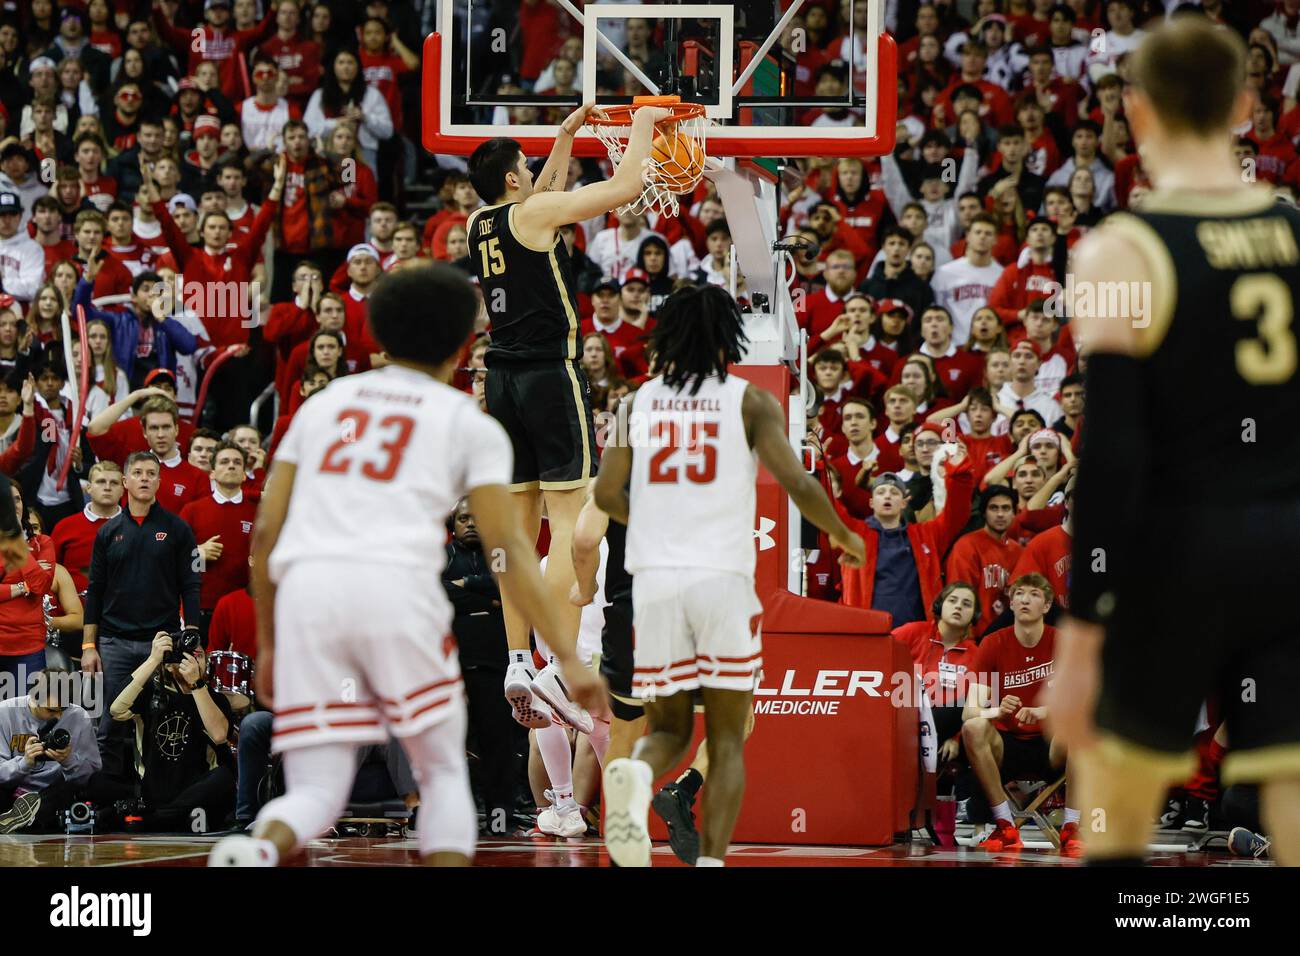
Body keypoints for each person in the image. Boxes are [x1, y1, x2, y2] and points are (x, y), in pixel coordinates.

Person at [209, 264, 598, 869]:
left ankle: (254, 850)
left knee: (314, 789)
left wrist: (267, 645)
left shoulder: (324, 404)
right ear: (464, 343)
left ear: (377, 336)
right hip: (394, 596)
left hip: (312, 598)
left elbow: (264, 535)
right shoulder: (471, 424)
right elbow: (512, 553)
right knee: (441, 774)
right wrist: (569, 661)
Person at [1051, 20, 1300, 868]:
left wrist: (1081, 640)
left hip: (1178, 562)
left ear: (1136, 111)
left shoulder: (1123, 248)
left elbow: (1114, 455)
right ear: (1243, 106)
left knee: (1115, 840)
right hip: (1289, 554)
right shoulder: (1298, 232)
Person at [592, 285, 865, 867]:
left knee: (663, 729)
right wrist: (843, 535)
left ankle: (637, 778)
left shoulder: (633, 405)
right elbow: (797, 483)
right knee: (728, 734)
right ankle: (712, 861)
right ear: (727, 338)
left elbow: (606, 492)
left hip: (656, 585)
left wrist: (657, 521)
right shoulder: (750, 403)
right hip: (719, 581)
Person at [464, 103, 673, 731]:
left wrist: (562, 139)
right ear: (512, 180)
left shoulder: (480, 221)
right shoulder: (533, 212)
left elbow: (541, 197)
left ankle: (516, 662)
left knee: (516, 533)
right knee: (565, 519)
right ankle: (558, 666)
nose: (535, 173)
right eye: (526, 167)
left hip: (498, 381)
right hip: (548, 379)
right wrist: (646, 125)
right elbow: (628, 187)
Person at [80, 451, 202, 753]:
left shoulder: (178, 529)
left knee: (159, 724)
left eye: (150, 473)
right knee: (108, 725)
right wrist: (88, 646)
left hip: (162, 642)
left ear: (159, 482)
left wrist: (193, 637)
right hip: (114, 643)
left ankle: (154, 796)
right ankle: (101, 796)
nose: (144, 478)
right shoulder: (108, 532)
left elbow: (191, 585)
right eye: (137, 473)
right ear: (125, 481)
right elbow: (94, 591)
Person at [963, 573, 1078, 854]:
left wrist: (1044, 711)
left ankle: (1072, 830)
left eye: (1035, 594)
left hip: (1052, 746)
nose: (1026, 599)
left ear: (1047, 606)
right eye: (1019, 594)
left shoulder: (1063, 641)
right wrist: (996, 711)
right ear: (1011, 604)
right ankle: (1005, 827)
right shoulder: (991, 643)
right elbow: (970, 711)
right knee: (974, 727)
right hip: (1007, 745)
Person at [441, 497, 527, 837]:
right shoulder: (441, 558)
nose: (472, 523)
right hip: (452, 671)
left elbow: (512, 594)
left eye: (478, 516)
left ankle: (500, 819)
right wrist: (490, 599)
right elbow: (437, 596)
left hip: (496, 668)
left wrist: (469, 588)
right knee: (451, 749)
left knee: (498, 748)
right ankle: (453, 820)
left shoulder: (501, 557)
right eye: (464, 518)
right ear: (453, 524)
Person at [107, 630, 235, 831]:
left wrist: (196, 684)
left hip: (195, 791)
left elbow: (219, 736)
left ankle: (157, 819)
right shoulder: (153, 691)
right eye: (183, 656)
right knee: (97, 781)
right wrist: (152, 659)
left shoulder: (215, 698)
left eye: (198, 656)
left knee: (224, 777)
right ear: (169, 662)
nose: (191, 661)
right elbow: (115, 709)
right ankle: (166, 817)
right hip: (155, 787)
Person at [0, 667, 100, 833]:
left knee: (76, 790)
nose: (58, 717)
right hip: (13, 787)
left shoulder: (78, 716)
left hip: (52, 790)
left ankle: (25, 818)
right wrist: (24, 763)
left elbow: (92, 772)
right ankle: (29, 820)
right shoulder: (5, 712)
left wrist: (69, 761)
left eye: (63, 709)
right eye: (51, 710)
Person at [180, 442, 257, 642]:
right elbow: (170, 559)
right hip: (201, 609)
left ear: (243, 474)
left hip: (245, 608)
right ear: (212, 473)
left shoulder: (258, 512)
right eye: (224, 461)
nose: (231, 465)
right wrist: (196, 553)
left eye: (237, 462)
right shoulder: (193, 510)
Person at [946, 485, 1024, 636]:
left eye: (1006, 508)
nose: (1000, 514)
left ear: (1014, 513)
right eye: (994, 508)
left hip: (1006, 635)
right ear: (984, 512)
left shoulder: (1019, 551)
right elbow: (959, 597)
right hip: (974, 635)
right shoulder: (966, 546)